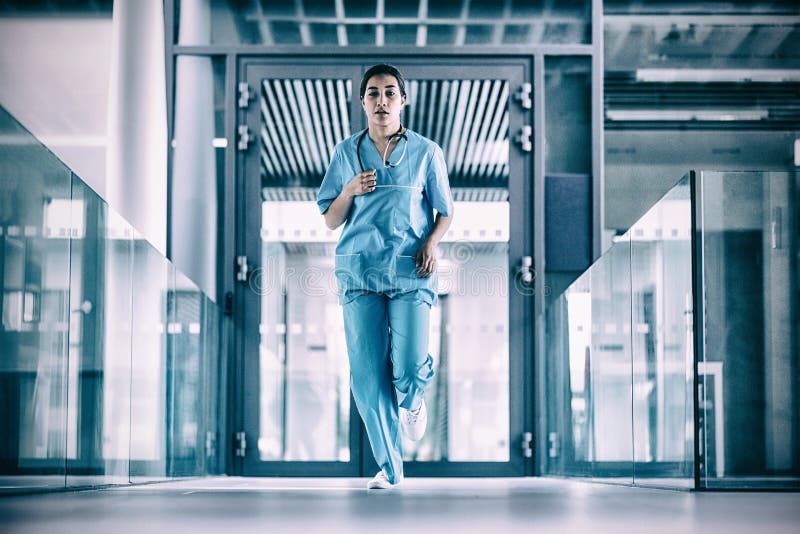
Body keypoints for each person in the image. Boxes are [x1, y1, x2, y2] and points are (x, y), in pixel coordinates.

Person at [316, 64, 454, 490]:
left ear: (403, 100)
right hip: (359, 272)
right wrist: (348, 190)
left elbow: (445, 212)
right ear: (363, 102)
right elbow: (330, 219)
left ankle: (413, 399)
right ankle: (391, 469)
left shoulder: (426, 152)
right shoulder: (345, 153)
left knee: (408, 366)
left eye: (390, 92)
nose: (382, 101)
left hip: (410, 270)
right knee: (366, 375)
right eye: (373, 93)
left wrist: (431, 242)